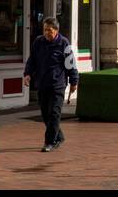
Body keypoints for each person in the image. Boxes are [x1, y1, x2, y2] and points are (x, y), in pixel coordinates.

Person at [23, 17, 78, 152]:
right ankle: (59, 136)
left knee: (54, 113)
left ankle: (50, 142)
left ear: (56, 30)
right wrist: (27, 74)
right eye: (45, 30)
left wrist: (74, 81)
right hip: (42, 83)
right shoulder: (38, 42)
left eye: (49, 30)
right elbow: (32, 60)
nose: (47, 33)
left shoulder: (64, 43)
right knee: (46, 115)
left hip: (57, 85)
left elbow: (70, 64)